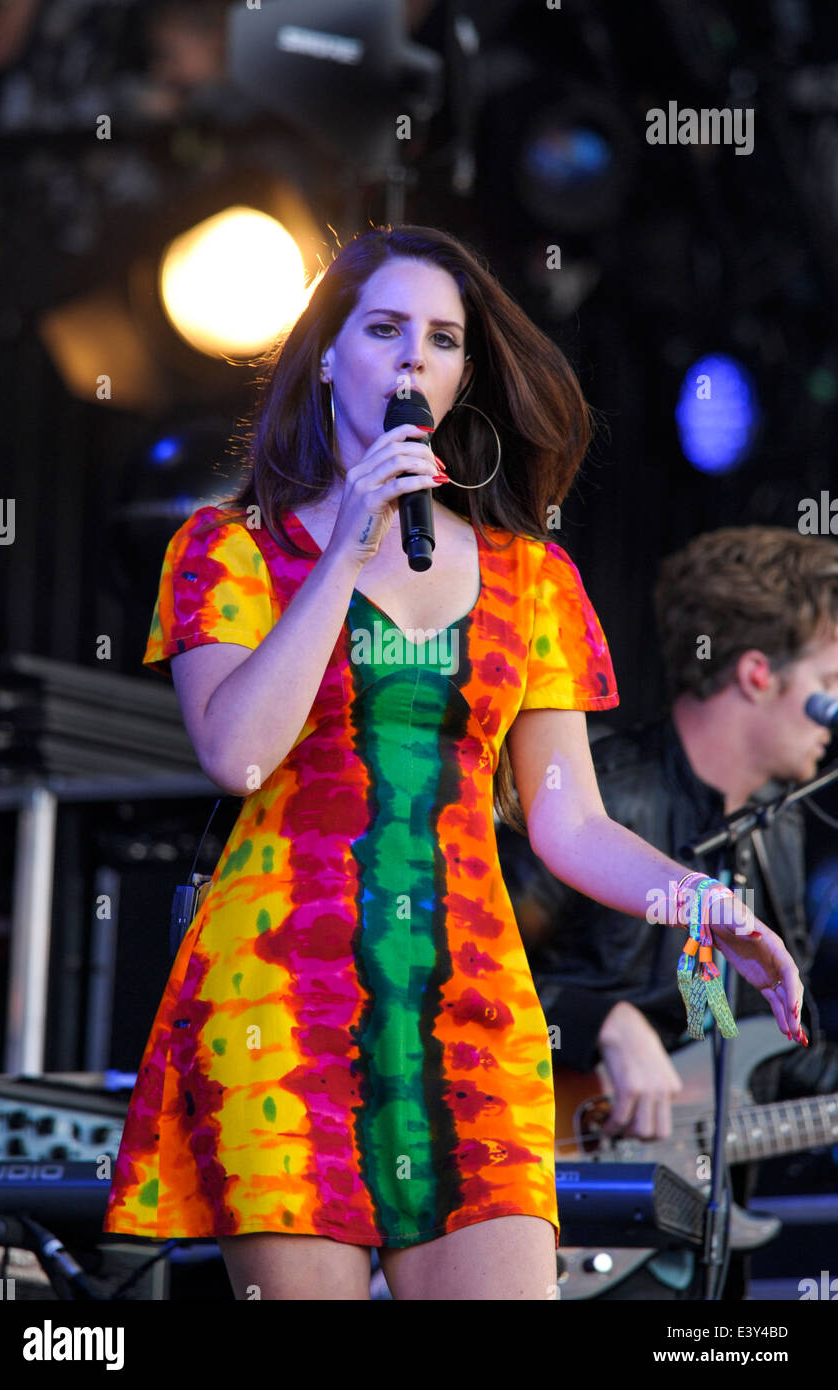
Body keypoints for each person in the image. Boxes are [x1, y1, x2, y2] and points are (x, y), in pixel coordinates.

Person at [101, 224, 806, 1301]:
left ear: (463, 373)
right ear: (328, 353)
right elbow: (240, 755)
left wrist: (707, 903)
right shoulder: (229, 548)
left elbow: (568, 821)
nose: (412, 359)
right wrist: (344, 546)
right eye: (383, 330)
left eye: (441, 338)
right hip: (279, 994)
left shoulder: (534, 579)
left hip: (471, 998)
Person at [497, 524, 838, 1299]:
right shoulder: (598, 802)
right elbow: (458, 970)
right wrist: (597, 1024)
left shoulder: (779, 823)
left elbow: (778, 1048)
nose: (833, 711)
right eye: (828, 678)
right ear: (756, 673)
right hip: (556, 1205)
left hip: (703, 1229)